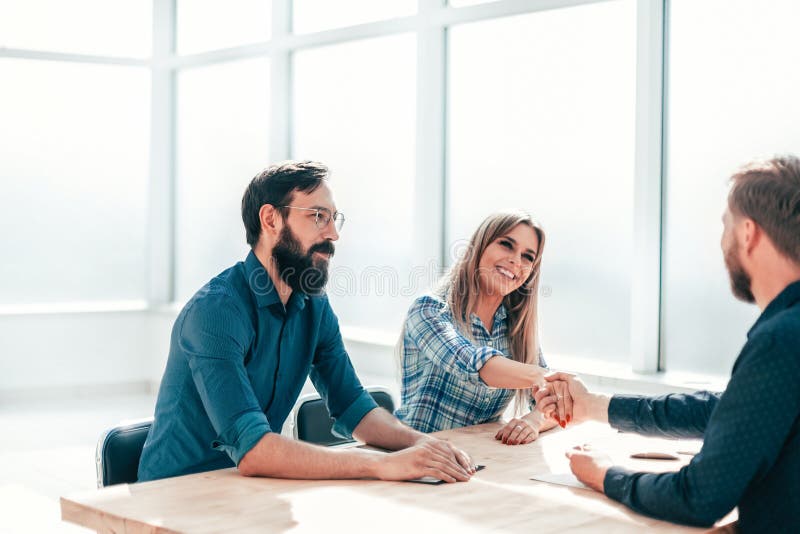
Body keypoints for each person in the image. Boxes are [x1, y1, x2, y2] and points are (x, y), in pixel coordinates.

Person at [138, 161, 475, 483]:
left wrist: (422, 445)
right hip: (176, 497)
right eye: (317, 216)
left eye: (334, 219)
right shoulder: (215, 312)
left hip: (247, 490)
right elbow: (254, 449)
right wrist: (383, 464)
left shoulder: (314, 306)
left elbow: (354, 407)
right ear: (271, 219)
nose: (333, 235)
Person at [537, 155, 800, 532]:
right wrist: (594, 406)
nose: (721, 242)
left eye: (724, 226)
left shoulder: (781, 339)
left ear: (748, 233)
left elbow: (699, 496)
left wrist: (604, 474)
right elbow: (727, 412)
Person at [395, 211, 564, 445]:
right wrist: (545, 378)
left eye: (527, 257)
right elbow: (472, 363)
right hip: (416, 456)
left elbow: (552, 405)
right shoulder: (429, 310)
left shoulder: (514, 328)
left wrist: (533, 421)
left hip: (479, 459)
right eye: (506, 245)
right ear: (479, 247)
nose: (516, 260)